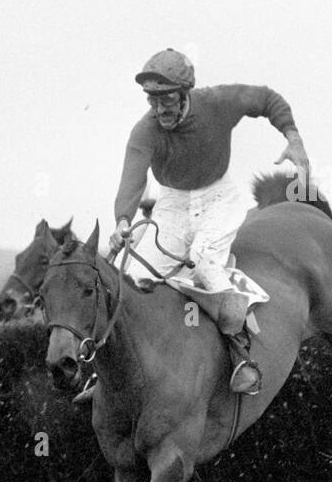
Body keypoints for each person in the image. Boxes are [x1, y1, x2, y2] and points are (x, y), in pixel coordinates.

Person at [106, 49, 311, 395]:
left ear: (185, 93)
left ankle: (242, 357)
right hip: (172, 203)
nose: (159, 109)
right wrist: (123, 221)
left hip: (219, 197)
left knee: (203, 262)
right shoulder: (144, 130)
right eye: (152, 100)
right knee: (136, 278)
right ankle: (109, 378)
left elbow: (266, 99)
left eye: (167, 99)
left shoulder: (218, 102)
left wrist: (293, 137)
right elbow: (133, 178)